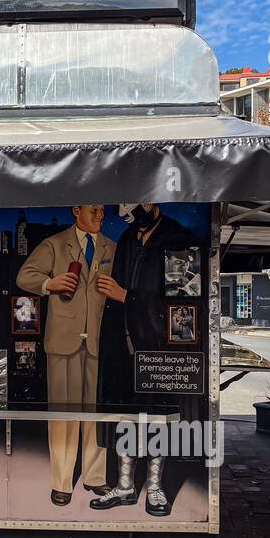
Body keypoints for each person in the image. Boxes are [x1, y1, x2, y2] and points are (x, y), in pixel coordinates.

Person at [92, 203, 205, 517]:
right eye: (124, 205)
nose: (128, 210)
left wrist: (127, 296)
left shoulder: (178, 239)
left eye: (134, 202)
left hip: (161, 354)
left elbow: (184, 300)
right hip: (125, 350)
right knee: (127, 418)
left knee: (157, 420)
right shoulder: (129, 239)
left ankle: (155, 487)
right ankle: (125, 485)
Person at [16, 204, 117, 505]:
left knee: (96, 411)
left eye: (103, 211)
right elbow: (25, 276)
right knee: (62, 414)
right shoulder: (55, 245)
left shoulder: (112, 247)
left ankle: (95, 477)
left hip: (100, 341)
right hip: (63, 342)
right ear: (76, 210)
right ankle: (62, 482)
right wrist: (49, 284)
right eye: (95, 210)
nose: (101, 216)